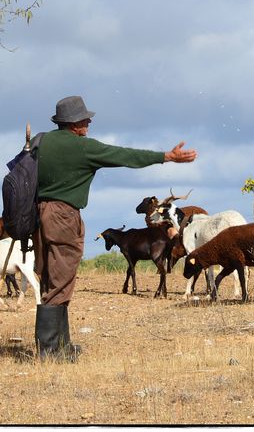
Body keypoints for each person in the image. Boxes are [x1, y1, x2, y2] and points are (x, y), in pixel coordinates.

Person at [33, 95, 196, 362]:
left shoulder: (40, 141)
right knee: (62, 279)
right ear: (74, 124)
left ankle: (61, 345)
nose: (89, 123)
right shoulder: (83, 147)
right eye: (85, 120)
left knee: (50, 276)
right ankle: (51, 351)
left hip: (37, 216)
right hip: (63, 216)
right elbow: (124, 155)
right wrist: (166, 157)